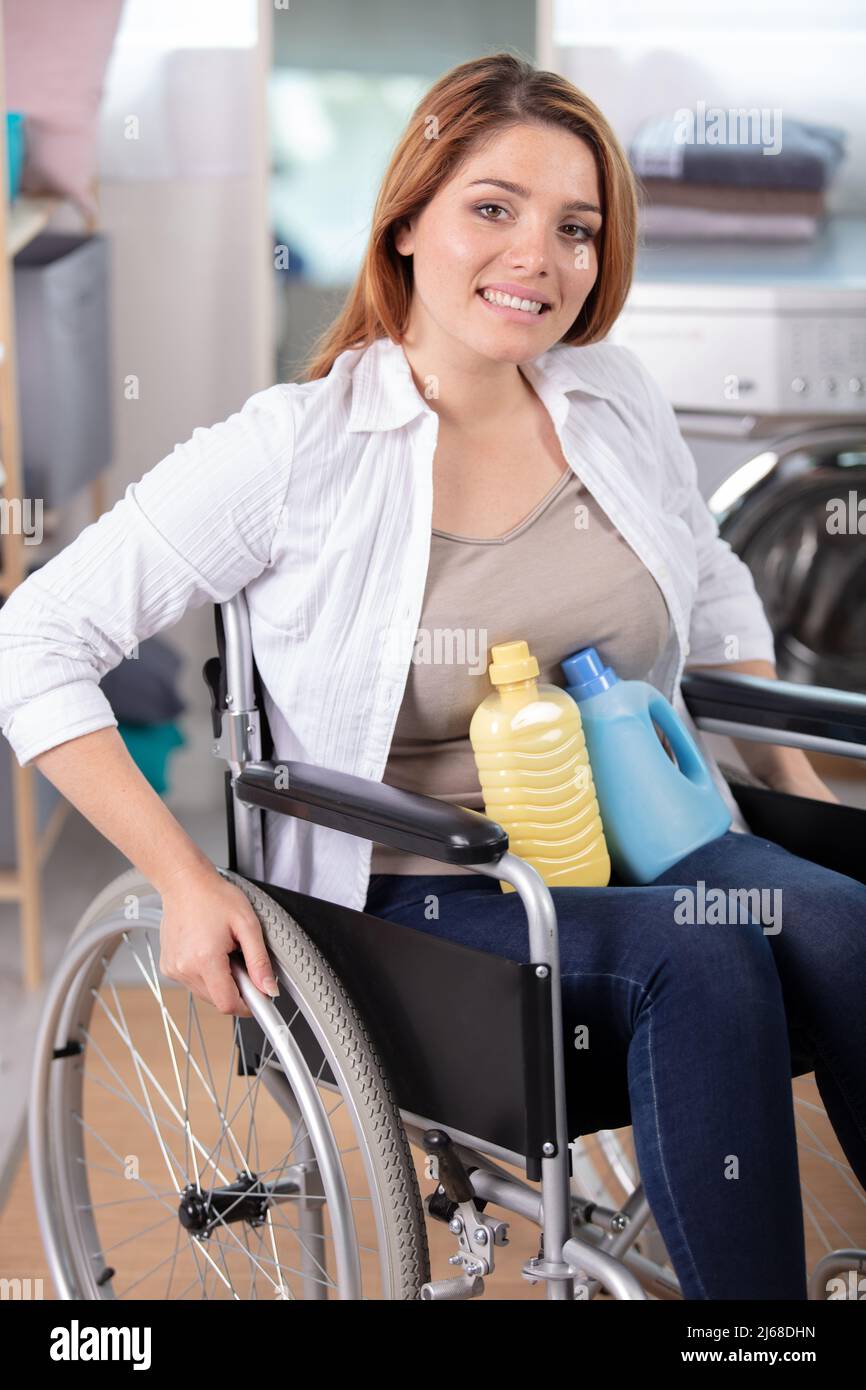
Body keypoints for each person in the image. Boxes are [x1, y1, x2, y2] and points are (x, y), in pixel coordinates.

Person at [0, 51, 863, 1300]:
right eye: (493, 208)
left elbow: (716, 581)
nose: (539, 257)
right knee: (705, 957)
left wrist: (782, 796)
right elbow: (36, 638)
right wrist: (180, 880)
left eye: (576, 228)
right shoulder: (291, 454)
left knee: (839, 920)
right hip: (424, 892)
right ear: (406, 220)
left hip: (641, 826)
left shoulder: (607, 394)